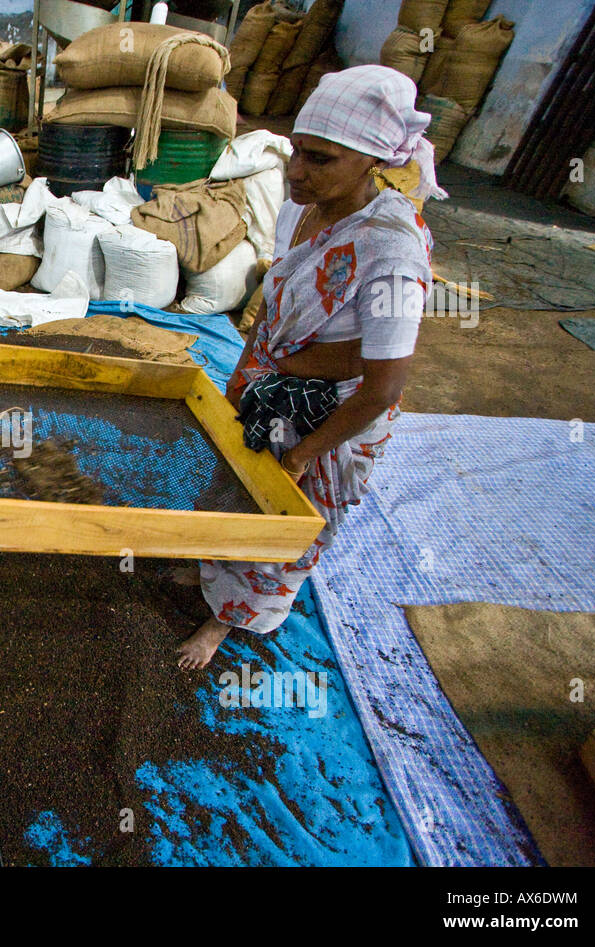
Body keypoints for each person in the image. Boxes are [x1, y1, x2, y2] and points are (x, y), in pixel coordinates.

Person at [176, 66, 446, 671]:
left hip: (327, 416)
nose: (295, 170)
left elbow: (383, 383)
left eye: (319, 158)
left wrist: (300, 455)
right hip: (271, 384)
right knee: (234, 484)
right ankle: (206, 569)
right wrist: (256, 372)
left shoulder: (392, 251)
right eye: (297, 149)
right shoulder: (305, 207)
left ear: (371, 162)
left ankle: (226, 619)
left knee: (279, 520)